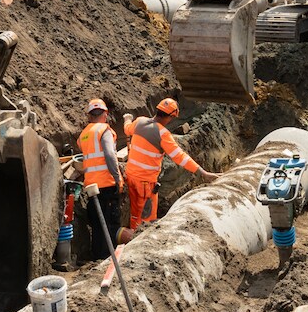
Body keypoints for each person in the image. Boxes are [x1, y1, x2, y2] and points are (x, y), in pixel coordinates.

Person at [123, 98, 218, 229]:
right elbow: (180, 157)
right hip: (145, 184)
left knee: (135, 214)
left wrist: (127, 119)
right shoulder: (163, 134)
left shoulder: (139, 122)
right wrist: (203, 172)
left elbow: (127, 129)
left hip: (130, 177)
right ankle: (141, 242)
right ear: (171, 116)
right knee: (146, 220)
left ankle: (132, 232)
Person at [76, 98, 123, 259]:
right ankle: (109, 258)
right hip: (107, 185)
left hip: (91, 187)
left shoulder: (83, 135)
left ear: (89, 116)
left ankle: (97, 256)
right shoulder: (104, 130)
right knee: (110, 224)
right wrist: (118, 178)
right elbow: (110, 155)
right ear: (105, 114)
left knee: (97, 224)